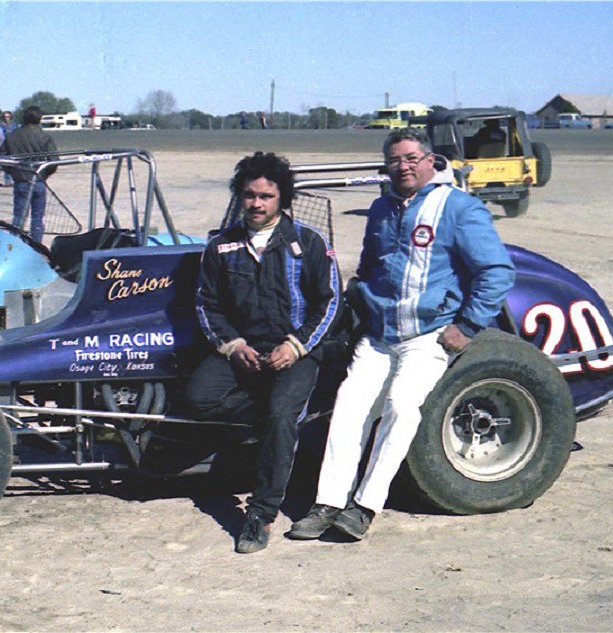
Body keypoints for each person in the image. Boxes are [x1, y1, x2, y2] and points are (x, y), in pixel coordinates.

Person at [287, 129, 515, 542]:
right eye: (395, 160)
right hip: (377, 336)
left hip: (426, 336)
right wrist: (360, 298)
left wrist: (467, 326)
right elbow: (371, 265)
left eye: (411, 158)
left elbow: (496, 271)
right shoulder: (380, 208)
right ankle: (328, 503)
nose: (404, 167)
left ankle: (364, 506)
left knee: (401, 407)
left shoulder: (459, 208)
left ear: (430, 160)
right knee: (349, 408)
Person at [185, 151, 340, 554]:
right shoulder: (221, 246)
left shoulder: (307, 243)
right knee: (199, 398)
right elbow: (207, 305)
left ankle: (261, 514)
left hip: (295, 353)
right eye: (249, 195)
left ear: (281, 199)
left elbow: (329, 303)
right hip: (244, 353)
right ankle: (275, 429)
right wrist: (234, 346)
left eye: (266, 196)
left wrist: (296, 346)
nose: (256, 203)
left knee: (279, 413)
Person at [2, 105, 57, 243]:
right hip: (38, 181)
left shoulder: (11, 136)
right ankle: (36, 246)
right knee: (37, 218)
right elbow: (54, 162)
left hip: (20, 181)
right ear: (39, 119)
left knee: (18, 217)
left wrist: (13, 173)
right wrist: (43, 175)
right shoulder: (45, 137)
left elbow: (1, 159)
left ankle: (13, 245)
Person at [1, 111, 19, 186]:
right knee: (6, 163)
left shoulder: (14, 126)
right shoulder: (0, 126)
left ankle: (14, 179)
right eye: (5, 116)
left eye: (8, 116)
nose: (6, 118)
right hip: (4, 146)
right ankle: (7, 181)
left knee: (14, 163)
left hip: (13, 146)